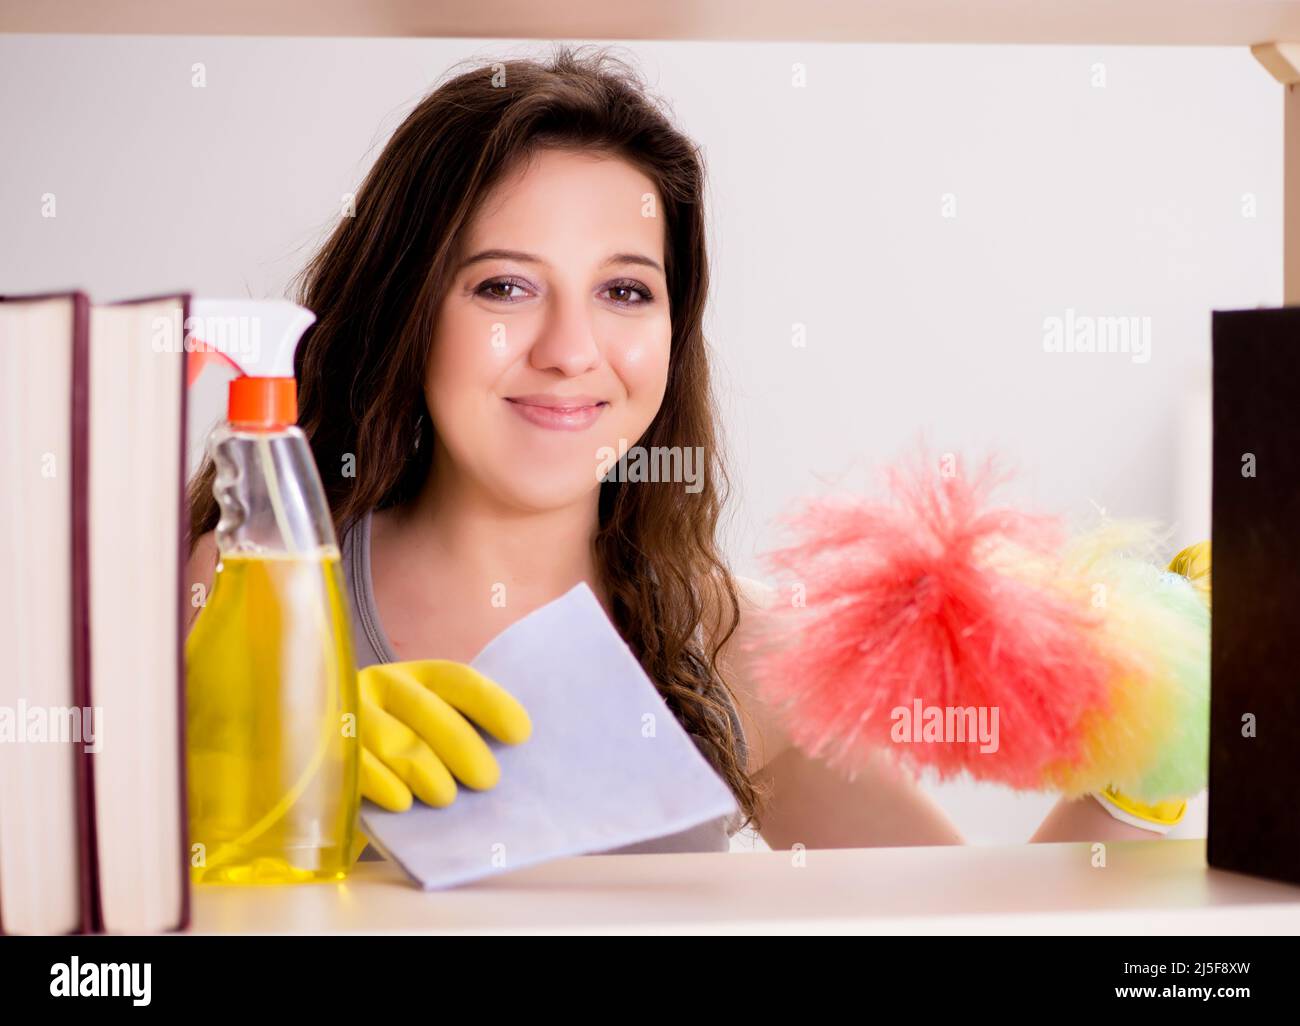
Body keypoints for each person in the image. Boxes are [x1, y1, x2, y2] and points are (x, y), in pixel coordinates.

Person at [188, 46, 1172, 853]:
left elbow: (967, 930)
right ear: (409, 308)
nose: (570, 352)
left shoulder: (740, 648)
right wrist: (267, 773)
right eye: (502, 287)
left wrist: (1149, 767)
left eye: (624, 292)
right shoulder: (245, 589)